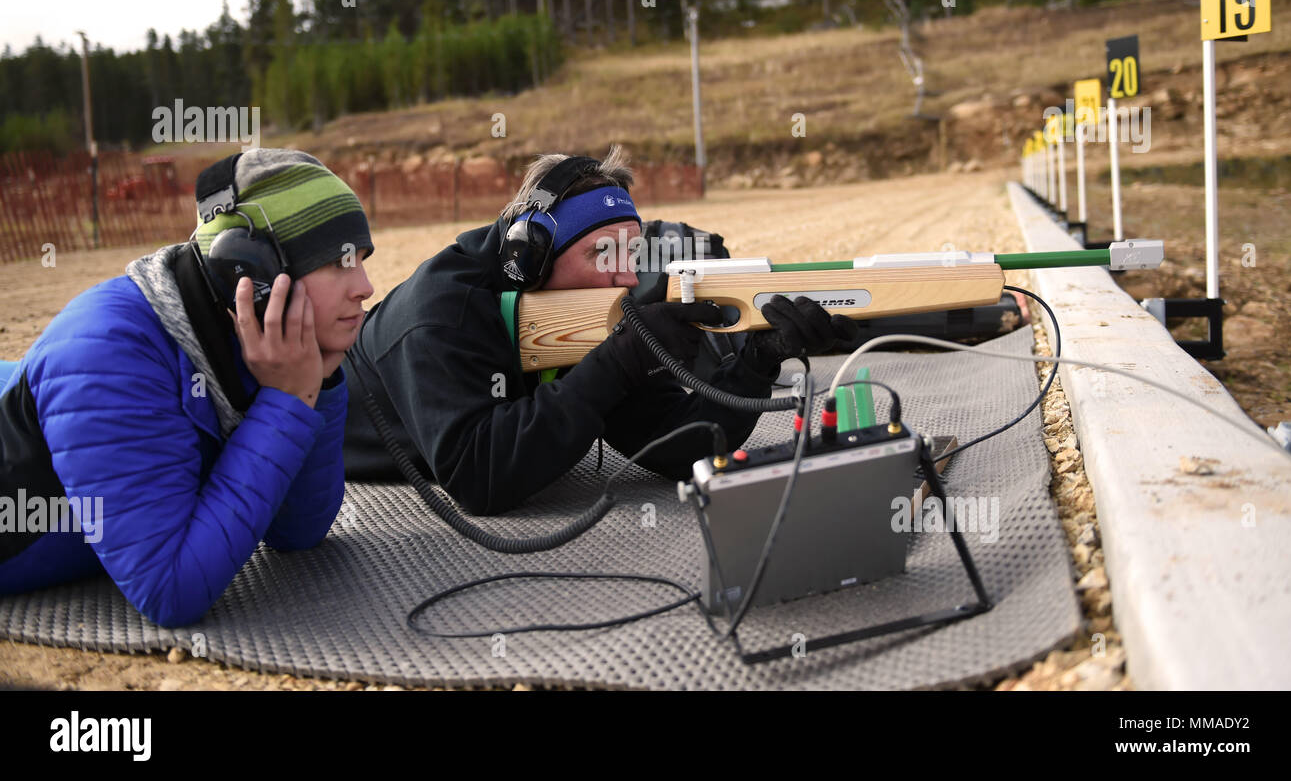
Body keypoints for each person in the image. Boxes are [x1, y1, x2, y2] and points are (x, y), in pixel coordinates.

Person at [343, 146, 855, 515]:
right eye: (601, 255)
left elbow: (681, 444)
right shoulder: (438, 313)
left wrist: (756, 361)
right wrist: (617, 365)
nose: (627, 277)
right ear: (533, 256)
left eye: (632, 255)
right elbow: (479, 479)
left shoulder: (579, 308)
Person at [0, 149, 374, 627]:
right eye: (339, 263)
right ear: (251, 273)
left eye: (361, 260)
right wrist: (284, 403)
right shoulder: (109, 353)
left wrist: (314, 386)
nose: (364, 286)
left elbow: (298, 532)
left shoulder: (249, 344)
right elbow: (169, 589)